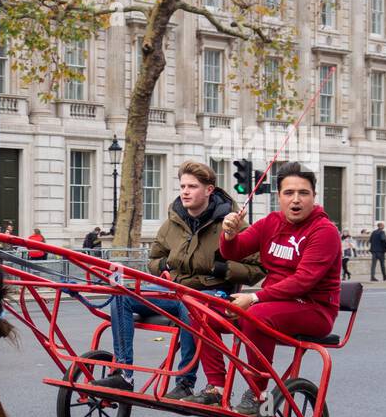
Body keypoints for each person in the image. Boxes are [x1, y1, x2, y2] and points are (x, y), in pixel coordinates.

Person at [94, 161, 263, 401]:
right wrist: (165, 266)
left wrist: (219, 268)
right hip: (173, 290)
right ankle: (124, 374)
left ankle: (185, 382)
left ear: (209, 190)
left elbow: (257, 268)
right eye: (183, 185)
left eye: (192, 186)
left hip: (211, 294)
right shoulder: (172, 223)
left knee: (190, 304)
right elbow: (153, 260)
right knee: (122, 295)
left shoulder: (232, 223)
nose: (185, 191)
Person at [219, 162, 342, 415]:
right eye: (289, 193)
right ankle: (215, 387)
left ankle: (259, 393)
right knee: (206, 310)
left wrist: (254, 297)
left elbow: (303, 281)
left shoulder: (324, 231)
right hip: (273, 302)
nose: (296, 200)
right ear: (279, 197)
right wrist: (229, 234)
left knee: (255, 316)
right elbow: (234, 251)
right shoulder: (271, 222)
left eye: (303, 193)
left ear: (314, 197)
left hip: (314, 309)